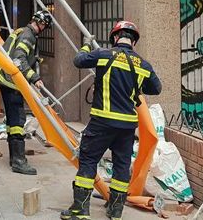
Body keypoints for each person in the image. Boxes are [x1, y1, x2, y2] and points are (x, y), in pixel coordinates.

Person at [63, 21, 162, 220]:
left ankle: (80, 210)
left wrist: (86, 45)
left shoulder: (104, 55)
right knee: (121, 166)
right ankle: (115, 211)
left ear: (115, 38)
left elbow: (79, 60)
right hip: (127, 127)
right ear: (133, 41)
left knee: (89, 160)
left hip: (102, 122)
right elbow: (156, 89)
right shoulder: (143, 64)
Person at [0, 10, 52, 175]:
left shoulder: (21, 30)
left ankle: (14, 158)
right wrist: (34, 78)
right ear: (41, 24)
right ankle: (18, 161)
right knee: (17, 121)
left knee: (12, 122)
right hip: (11, 82)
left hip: (6, 80)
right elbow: (19, 59)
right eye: (45, 25)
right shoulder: (28, 36)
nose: (44, 29)